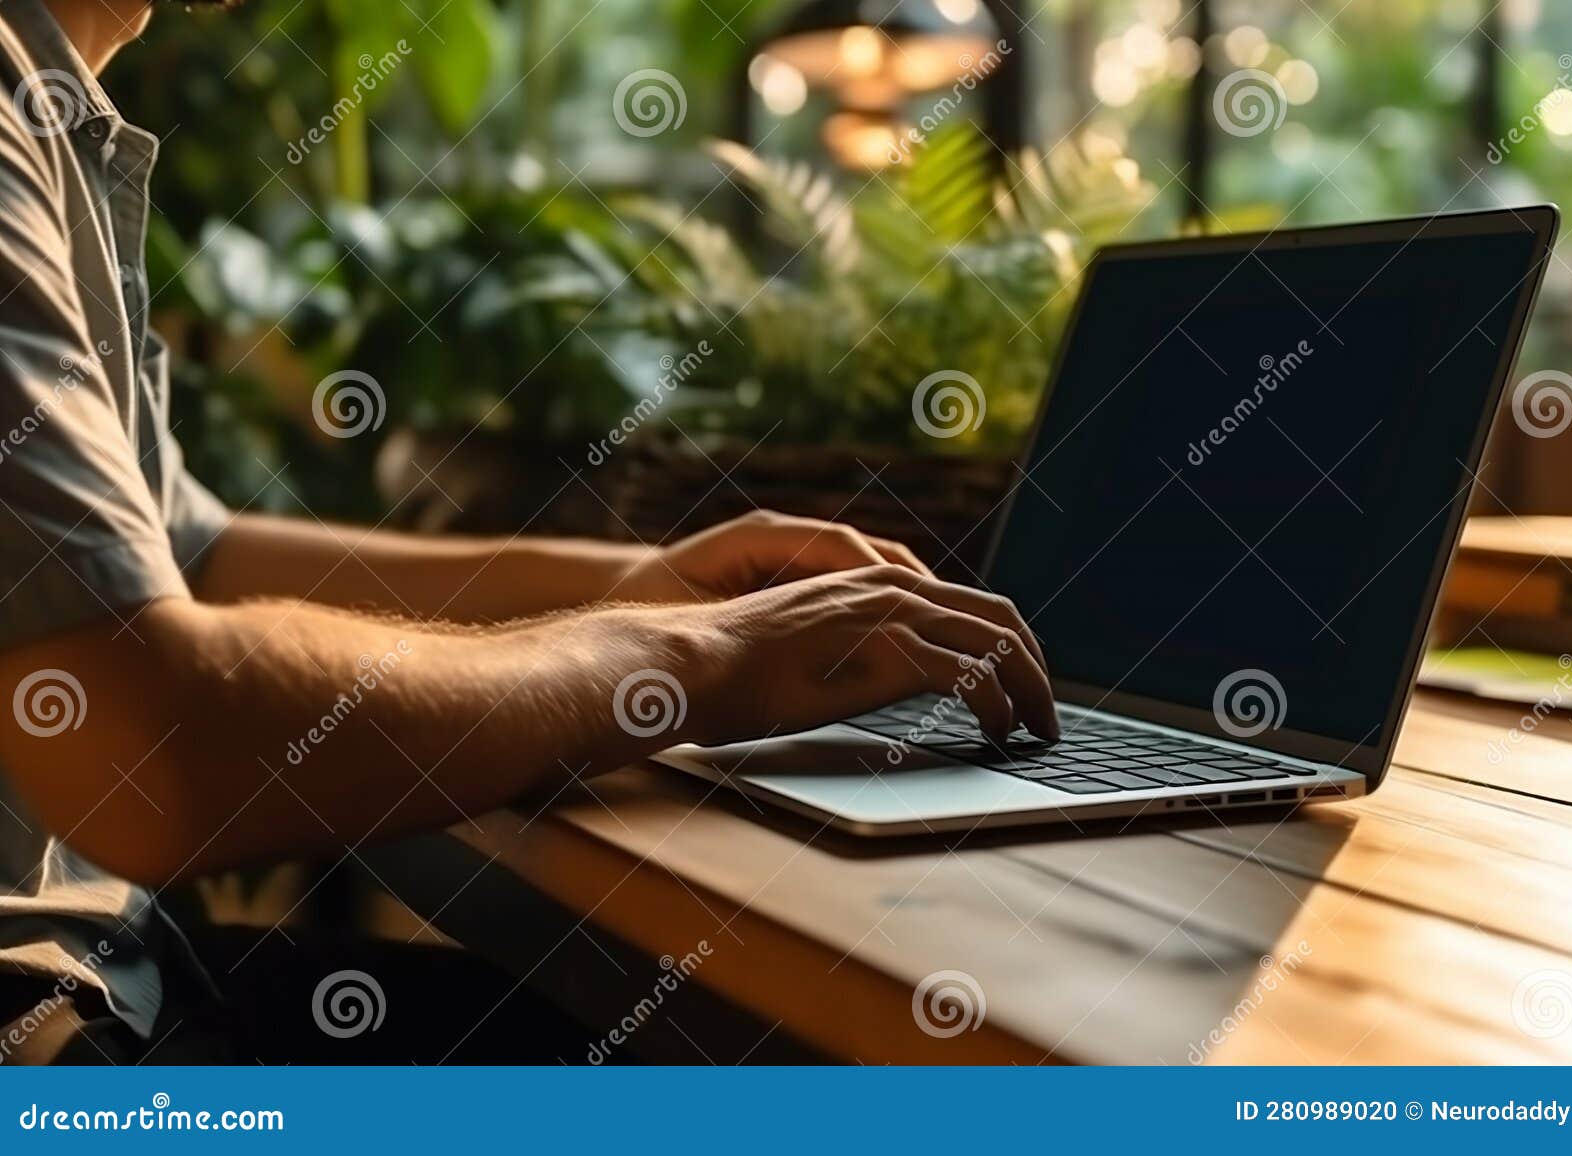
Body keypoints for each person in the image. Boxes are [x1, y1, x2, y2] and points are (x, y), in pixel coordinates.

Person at [0, 0, 1054, 1064]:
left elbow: (192, 555)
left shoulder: (51, 108)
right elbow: (141, 742)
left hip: (110, 966)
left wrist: (646, 586)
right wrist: (694, 656)